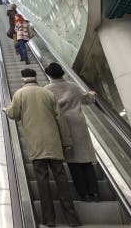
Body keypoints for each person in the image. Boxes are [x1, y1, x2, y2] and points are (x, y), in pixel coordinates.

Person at [5, 69, 80, 227]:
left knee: (42, 182)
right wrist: (66, 141)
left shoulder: (19, 94)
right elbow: (60, 119)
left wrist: (6, 110)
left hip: (36, 146)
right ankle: (73, 219)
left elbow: (13, 114)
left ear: (23, 79)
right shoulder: (47, 93)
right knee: (61, 179)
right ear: (35, 78)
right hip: (54, 144)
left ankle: (49, 219)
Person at [44, 62, 100, 202]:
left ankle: (84, 194)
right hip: (79, 123)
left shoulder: (47, 90)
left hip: (63, 125)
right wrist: (92, 94)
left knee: (73, 161)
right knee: (86, 160)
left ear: (49, 75)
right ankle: (95, 193)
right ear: (62, 72)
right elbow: (87, 99)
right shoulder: (73, 86)